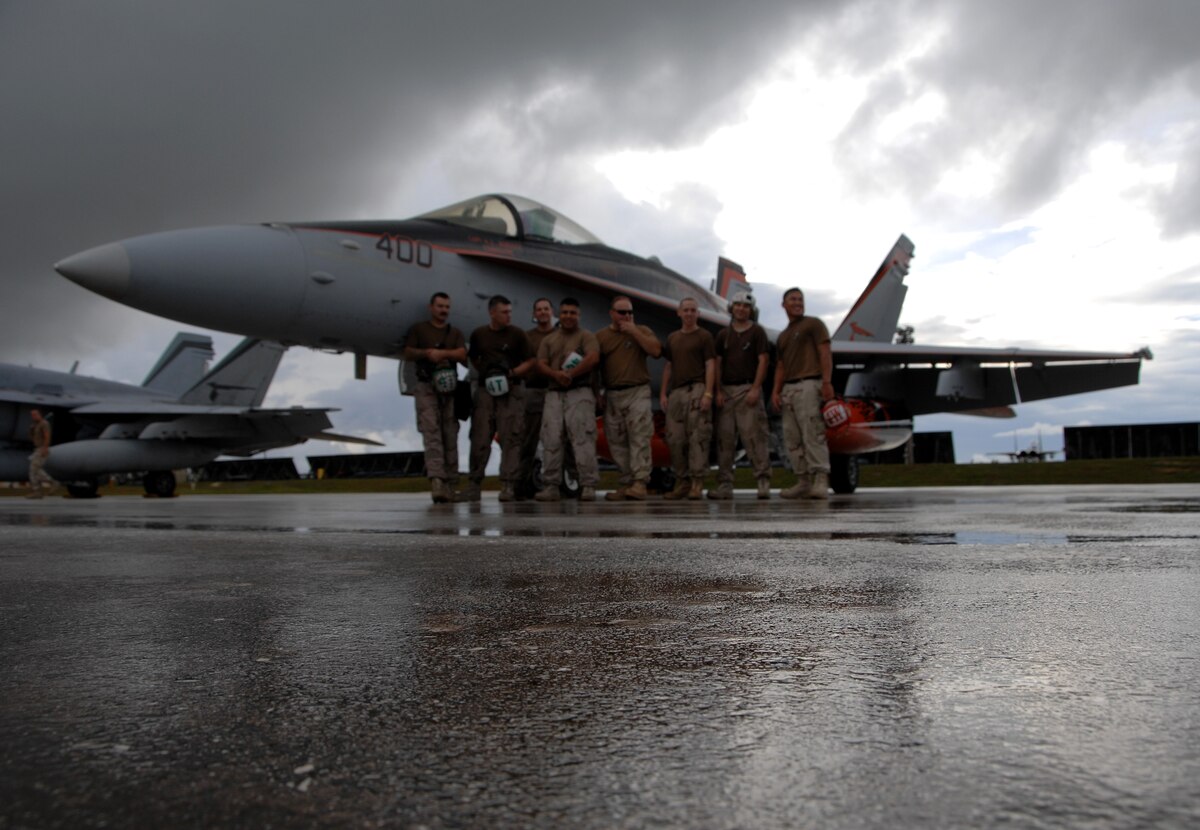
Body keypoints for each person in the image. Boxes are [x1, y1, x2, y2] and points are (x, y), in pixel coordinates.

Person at [465, 295, 535, 502]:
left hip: (511, 392)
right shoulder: (479, 334)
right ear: (492, 312)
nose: (508, 316)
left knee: (511, 438)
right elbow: (473, 358)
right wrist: (487, 374)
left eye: (510, 312)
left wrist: (512, 374)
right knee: (479, 438)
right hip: (486, 393)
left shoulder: (517, 335)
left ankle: (508, 486)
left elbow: (531, 361)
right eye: (504, 312)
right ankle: (474, 484)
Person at [533, 297, 601, 502]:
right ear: (558, 314)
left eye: (573, 313)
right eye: (565, 312)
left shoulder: (586, 336)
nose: (568, 316)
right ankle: (551, 485)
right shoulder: (549, 340)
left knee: (583, 439)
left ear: (578, 315)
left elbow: (593, 358)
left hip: (579, 392)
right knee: (551, 439)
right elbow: (541, 363)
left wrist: (570, 374)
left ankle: (588, 485)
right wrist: (556, 375)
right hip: (554, 393)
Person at [770, 287, 834, 499]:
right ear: (784, 305)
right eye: (793, 299)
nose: (797, 302)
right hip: (789, 389)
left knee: (812, 433)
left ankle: (821, 479)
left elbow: (825, 352)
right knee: (792, 437)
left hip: (809, 384)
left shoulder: (813, 324)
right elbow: (780, 366)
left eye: (800, 299)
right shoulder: (783, 336)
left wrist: (826, 382)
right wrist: (776, 392)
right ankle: (803, 481)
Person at [403, 292, 467, 503]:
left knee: (450, 434)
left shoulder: (454, 332)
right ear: (431, 307)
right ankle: (437, 482)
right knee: (432, 434)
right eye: (440, 306)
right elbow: (408, 352)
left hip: (449, 389)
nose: (444, 310)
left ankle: (450, 484)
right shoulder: (419, 330)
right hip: (426, 387)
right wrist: (427, 353)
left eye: (447, 307)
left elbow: (462, 354)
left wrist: (443, 355)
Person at [596, 295, 661, 501]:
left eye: (630, 312)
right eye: (622, 312)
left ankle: (640, 482)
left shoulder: (642, 331)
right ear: (612, 313)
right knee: (616, 439)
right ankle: (626, 482)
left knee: (639, 437)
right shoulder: (601, 336)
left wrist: (634, 331)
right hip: (613, 393)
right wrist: (598, 392)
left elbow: (656, 351)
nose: (627, 316)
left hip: (638, 391)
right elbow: (596, 365)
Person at [710, 291, 772, 500]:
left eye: (745, 306)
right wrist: (717, 391)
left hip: (748, 390)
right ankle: (725, 485)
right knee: (725, 441)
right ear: (731, 307)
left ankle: (763, 481)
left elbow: (763, 360)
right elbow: (718, 363)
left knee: (755, 438)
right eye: (737, 305)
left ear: (750, 310)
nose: (741, 309)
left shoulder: (757, 332)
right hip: (726, 392)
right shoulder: (723, 335)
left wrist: (756, 388)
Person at [660, 297, 716, 500]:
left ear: (698, 313)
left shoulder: (705, 336)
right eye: (686, 310)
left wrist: (708, 393)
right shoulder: (673, 338)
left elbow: (711, 364)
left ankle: (697, 483)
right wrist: (663, 392)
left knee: (698, 438)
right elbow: (668, 366)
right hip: (677, 392)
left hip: (697, 389)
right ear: (679, 313)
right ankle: (682, 482)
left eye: (693, 310)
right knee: (675, 439)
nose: (690, 313)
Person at [516, 297, 556, 499]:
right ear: (534, 313)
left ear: (551, 312)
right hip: (532, 391)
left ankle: (558, 483)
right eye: (538, 309)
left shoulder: (560, 335)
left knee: (557, 438)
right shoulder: (527, 337)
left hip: (556, 391)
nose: (542, 312)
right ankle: (521, 484)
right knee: (528, 439)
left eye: (546, 309)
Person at [25, 408, 57, 499]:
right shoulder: (35, 425)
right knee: (35, 471)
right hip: (37, 449)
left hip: (41, 449)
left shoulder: (44, 424)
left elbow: (47, 436)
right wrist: (31, 430)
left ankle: (39, 490)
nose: (33, 416)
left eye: (35, 414)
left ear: (40, 414)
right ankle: (44, 487)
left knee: (33, 470)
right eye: (32, 415)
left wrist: (45, 448)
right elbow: (32, 438)